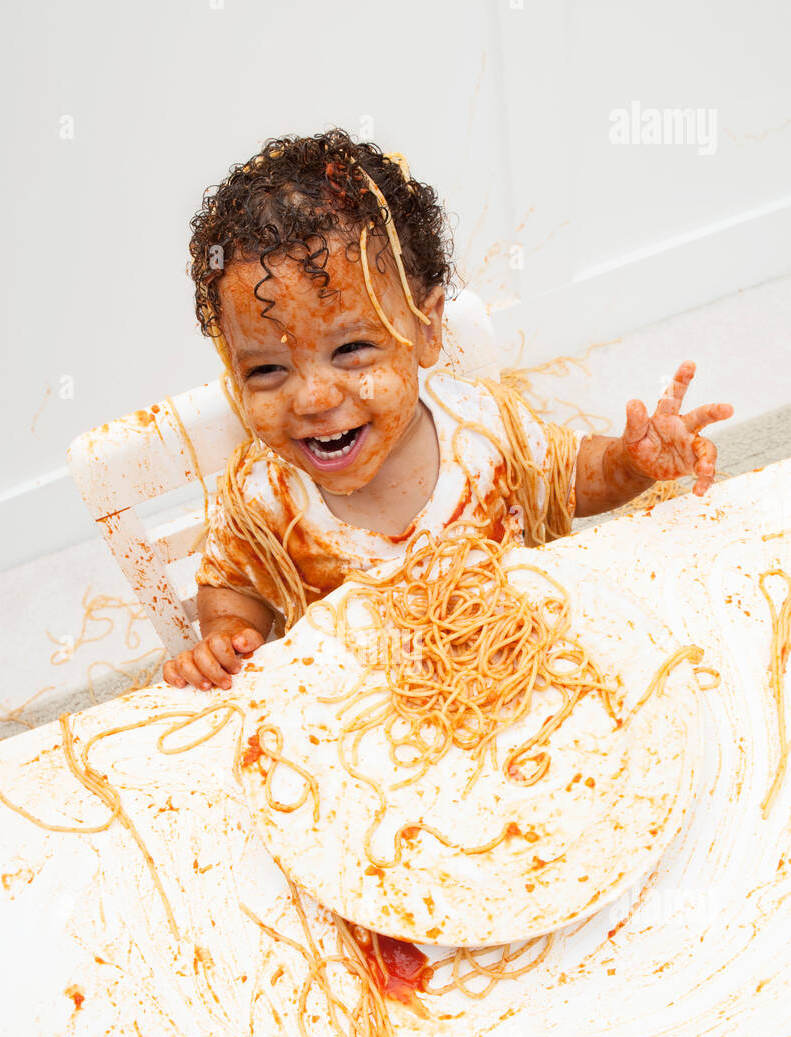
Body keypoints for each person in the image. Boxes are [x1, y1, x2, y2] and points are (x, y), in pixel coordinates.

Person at [163, 129, 732, 692]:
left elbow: (572, 478)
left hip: (522, 675)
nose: (312, 398)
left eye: (351, 350)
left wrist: (632, 463)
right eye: (266, 370)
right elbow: (234, 585)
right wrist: (227, 637)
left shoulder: (485, 428)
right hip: (362, 721)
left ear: (426, 328)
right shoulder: (264, 496)